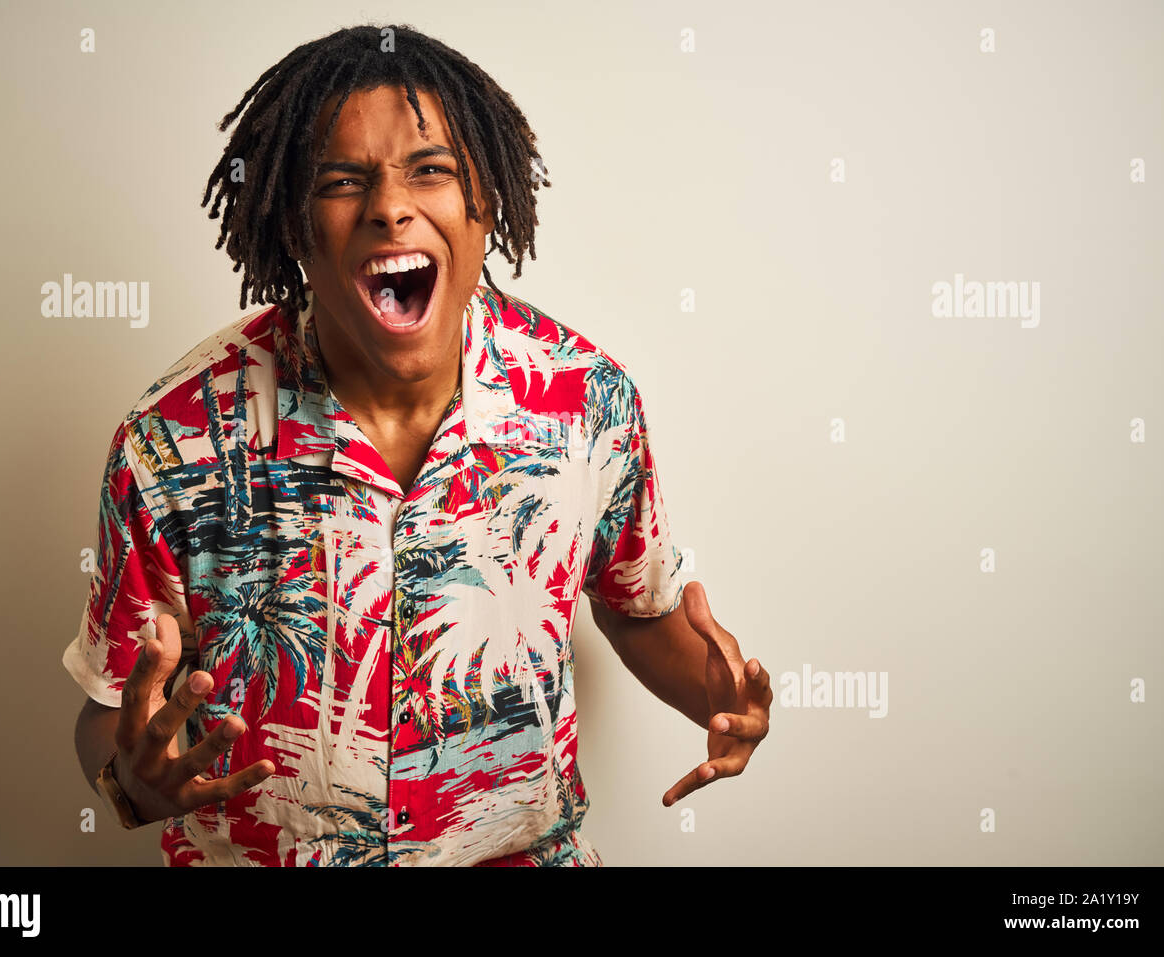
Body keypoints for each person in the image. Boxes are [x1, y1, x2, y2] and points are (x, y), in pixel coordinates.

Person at [64, 22, 771, 866]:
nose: (391, 206)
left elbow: (634, 608)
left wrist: (719, 695)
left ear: (485, 203)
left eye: (430, 170)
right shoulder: (174, 442)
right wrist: (130, 785)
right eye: (343, 180)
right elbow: (109, 706)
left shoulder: (586, 400)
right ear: (293, 227)